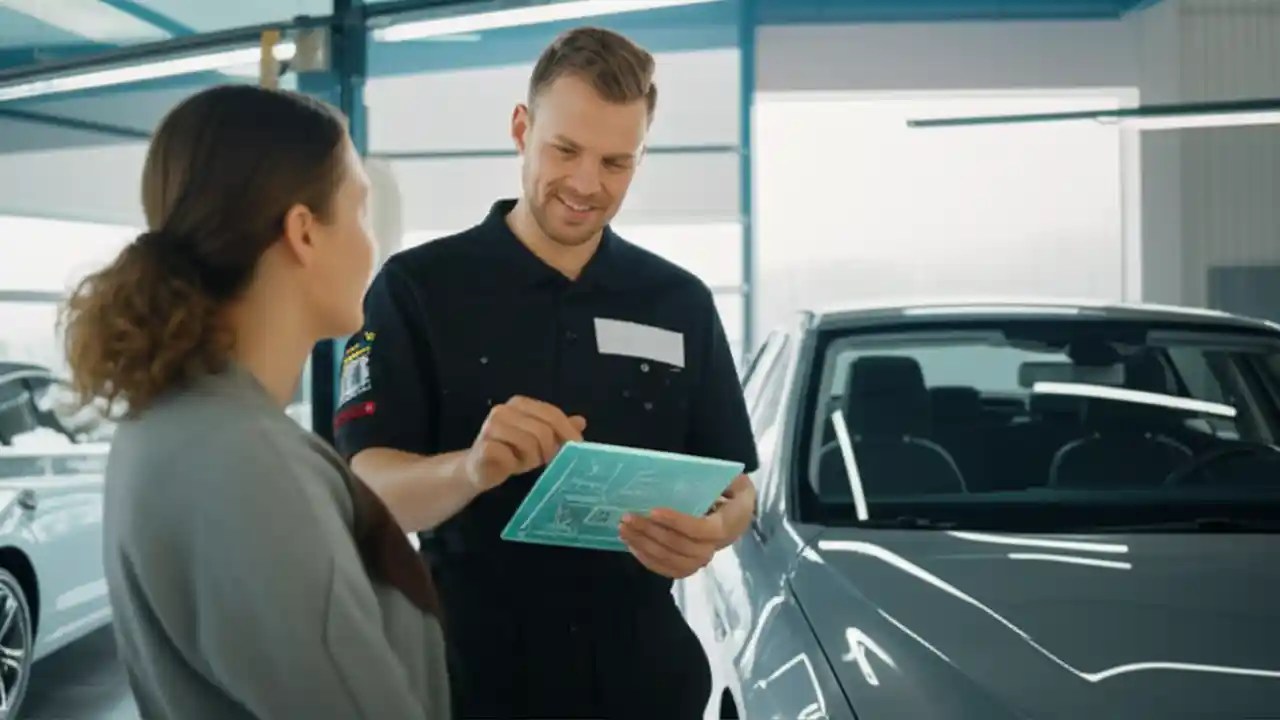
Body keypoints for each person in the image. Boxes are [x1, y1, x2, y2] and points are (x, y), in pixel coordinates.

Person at [335, 27, 758, 719]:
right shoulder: (418, 290)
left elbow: (734, 487)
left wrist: (714, 533)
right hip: (472, 685)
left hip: (646, 685)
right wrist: (470, 469)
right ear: (521, 129)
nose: (587, 185)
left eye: (616, 163)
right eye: (566, 151)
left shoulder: (679, 301)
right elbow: (365, 495)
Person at [60, 85, 450, 720]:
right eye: (359, 210)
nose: (371, 243)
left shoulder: (173, 421)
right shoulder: (243, 463)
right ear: (303, 232)